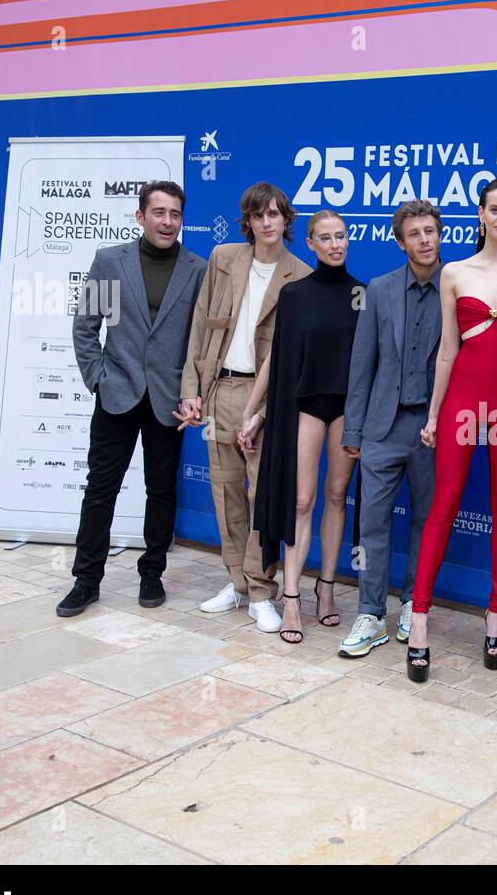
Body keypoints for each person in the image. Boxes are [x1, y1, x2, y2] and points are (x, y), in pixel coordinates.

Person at [403, 179, 497, 682]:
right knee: (442, 506)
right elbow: (447, 350)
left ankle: (495, 620)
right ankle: (419, 621)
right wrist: (432, 414)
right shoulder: (453, 272)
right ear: (481, 214)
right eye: (495, 209)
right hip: (460, 403)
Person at [60, 181, 206, 617]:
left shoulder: (197, 269)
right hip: (117, 395)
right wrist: (98, 380)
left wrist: (192, 392)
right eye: (159, 212)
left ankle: (152, 573)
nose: (167, 221)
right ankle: (86, 581)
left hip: (169, 400)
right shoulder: (111, 261)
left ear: (182, 219)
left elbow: (200, 342)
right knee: (100, 490)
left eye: (175, 214)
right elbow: (86, 325)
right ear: (141, 216)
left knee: (161, 490)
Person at [175, 182, 311, 633]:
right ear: (248, 221)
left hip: (265, 399)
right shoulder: (223, 259)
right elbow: (200, 323)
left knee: (262, 498)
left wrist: (265, 410)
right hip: (220, 391)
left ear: (286, 220)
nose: (268, 222)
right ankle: (236, 583)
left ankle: (260, 590)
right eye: (259, 215)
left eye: (275, 214)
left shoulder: (302, 276)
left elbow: (292, 358)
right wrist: (192, 388)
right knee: (226, 492)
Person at [239, 211, 364, 644]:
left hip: (347, 406)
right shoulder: (294, 294)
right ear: (310, 243)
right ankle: (290, 597)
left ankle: (325, 588)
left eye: (341, 237)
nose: (335, 244)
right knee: (302, 501)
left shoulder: (362, 294)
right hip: (305, 404)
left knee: (335, 496)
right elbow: (277, 357)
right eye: (325, 238)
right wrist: (253, 410)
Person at [338, 201, 444, 657]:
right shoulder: (378, 290)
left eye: (430, 231)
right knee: (372, 524)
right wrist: (353, 431)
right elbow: (362, 365)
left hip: (434, 429)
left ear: (440, 235)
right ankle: (370, 613)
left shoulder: (459, 287)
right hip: (382, 426)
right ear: (400, 243)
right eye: (415, 234)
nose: (424, 240)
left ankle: (413, 606)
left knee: (427, 522)